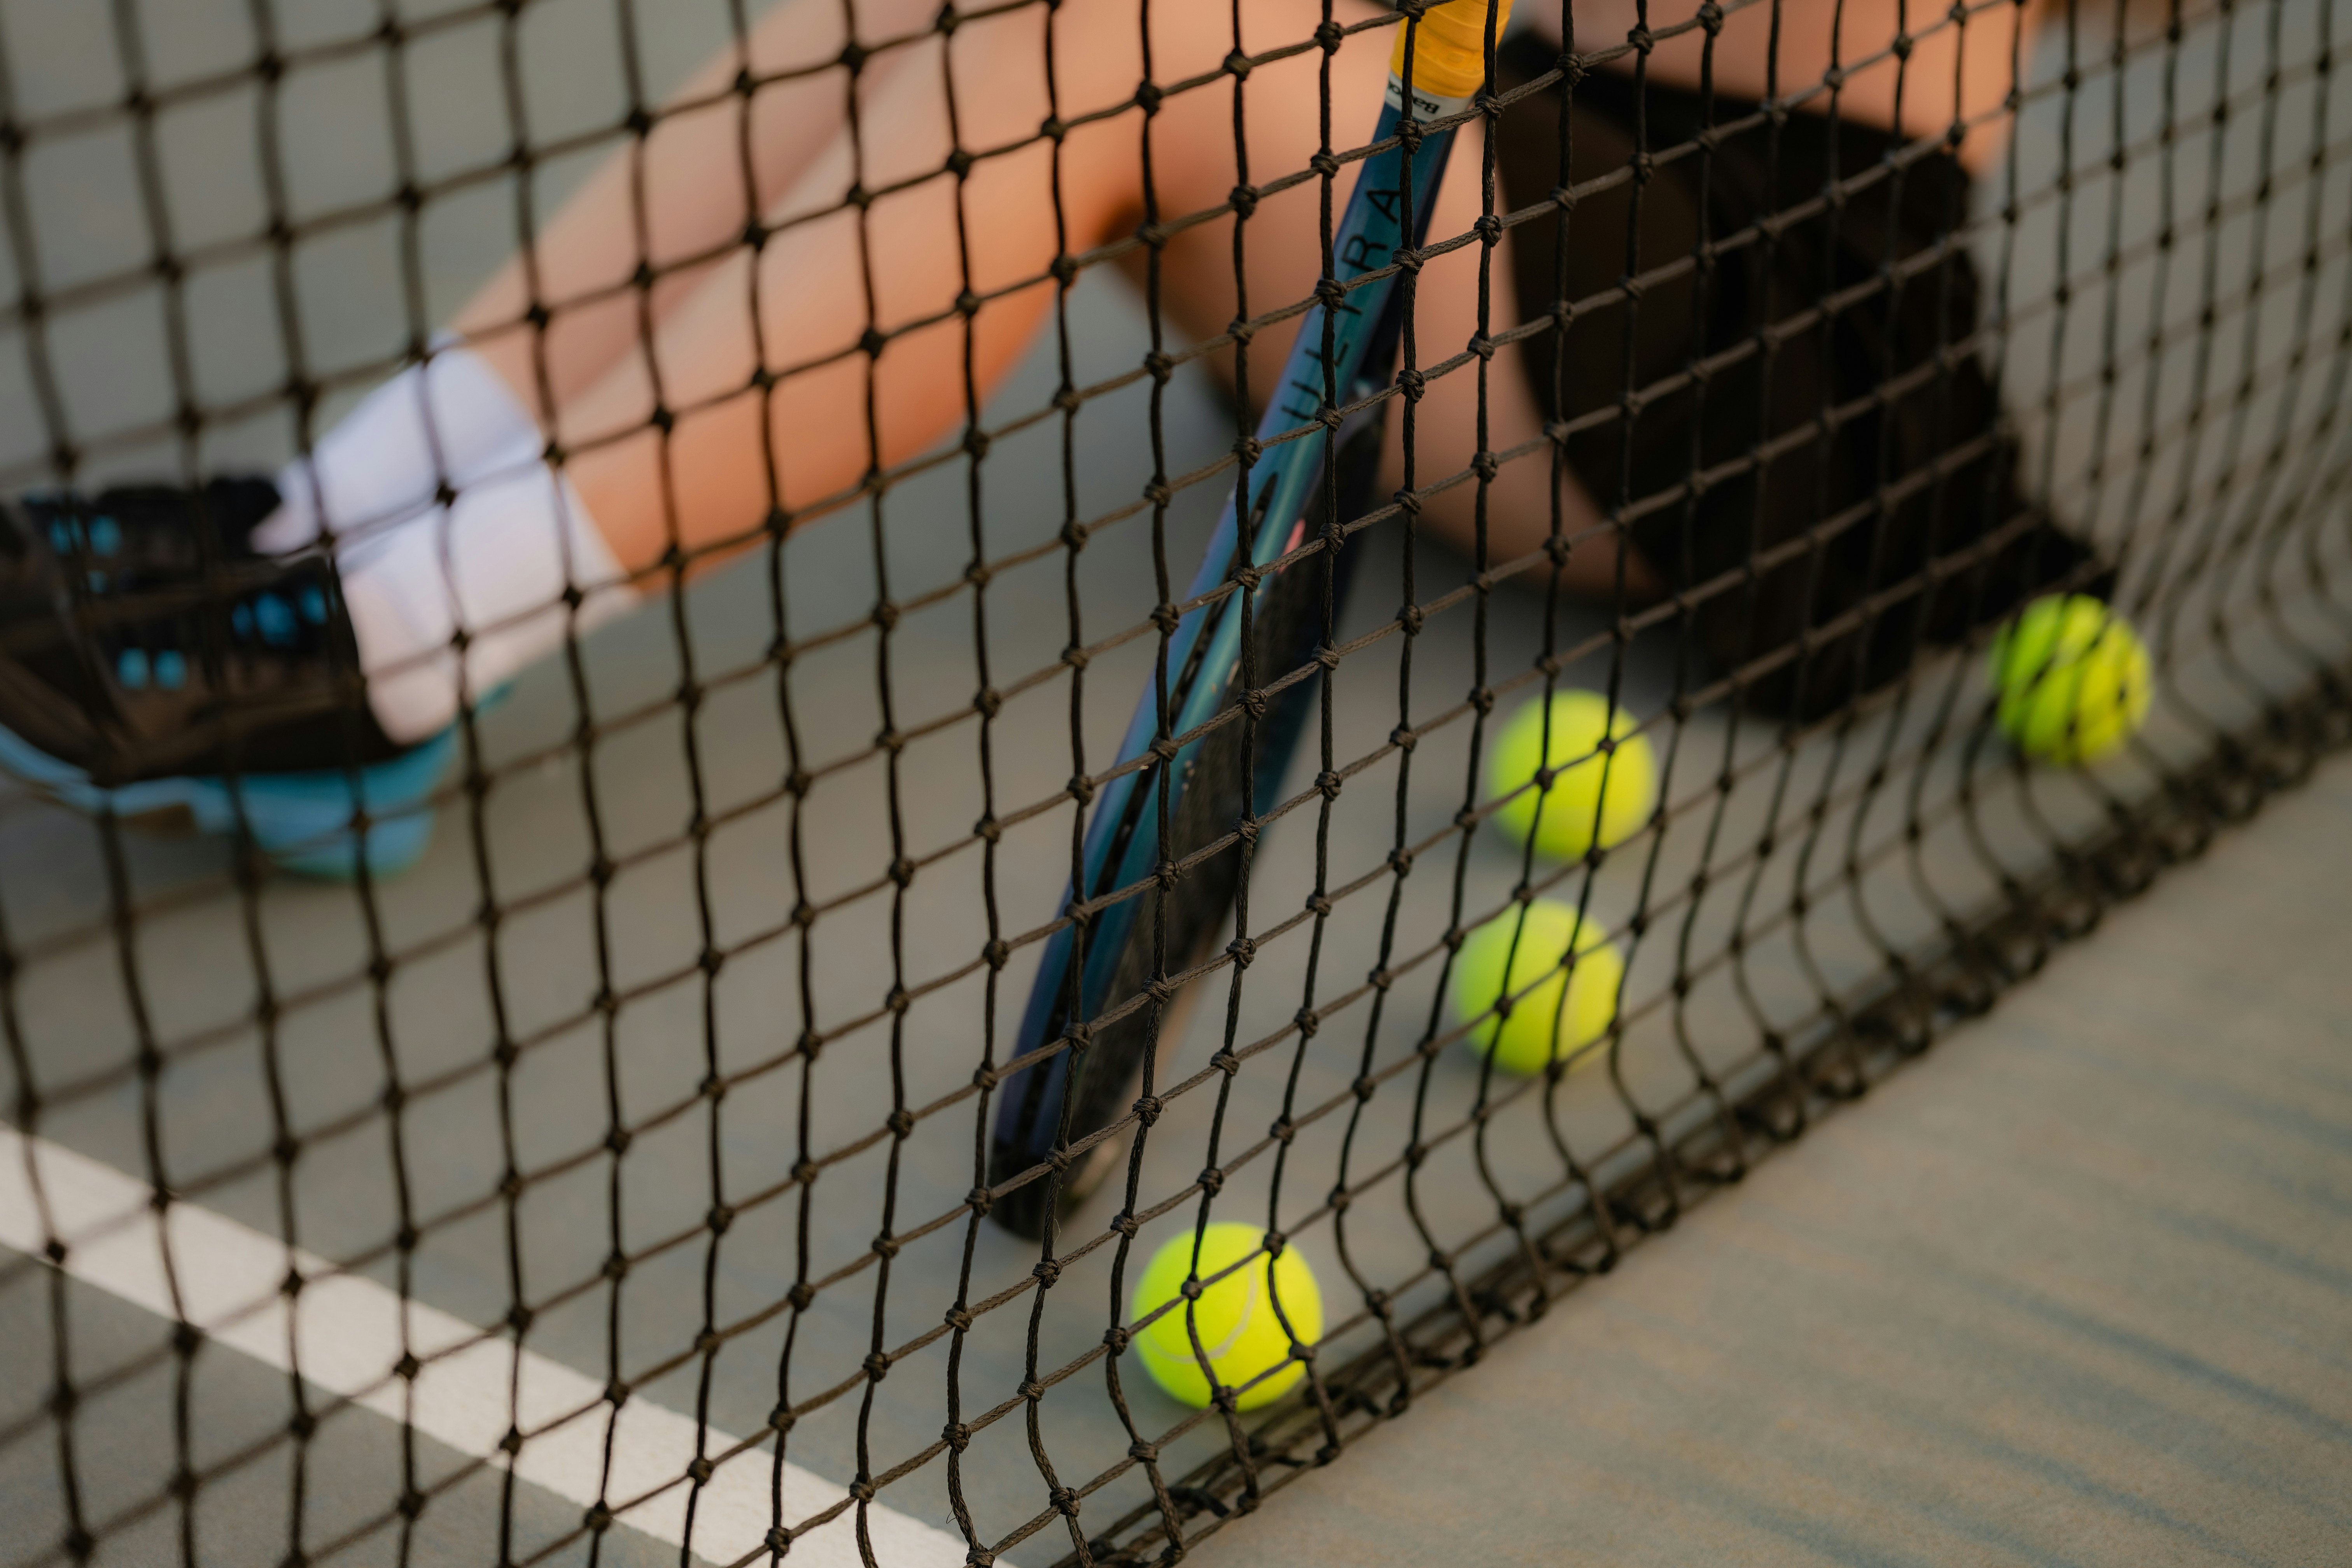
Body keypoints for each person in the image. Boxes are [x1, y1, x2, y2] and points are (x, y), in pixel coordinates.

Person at [0, 0, 2105, 875]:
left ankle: (396, 644)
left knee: (1117, 30)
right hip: (1513, 164)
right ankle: (333, 518)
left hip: (1756, 336)